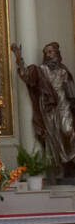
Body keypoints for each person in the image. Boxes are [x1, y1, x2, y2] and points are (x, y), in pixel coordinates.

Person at [12, 42, 75, 174]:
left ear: (57, 53)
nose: (48, 55)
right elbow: (26, 75)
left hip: (64, 104)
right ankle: (62, 166)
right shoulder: (40, 70)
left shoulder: (63, 71)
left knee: (69, 130)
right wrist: (18, 57)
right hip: (49, 108)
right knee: (54, 137)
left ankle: (71, 159)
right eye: (46, 52)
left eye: (50, 52)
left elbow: (71, 92)